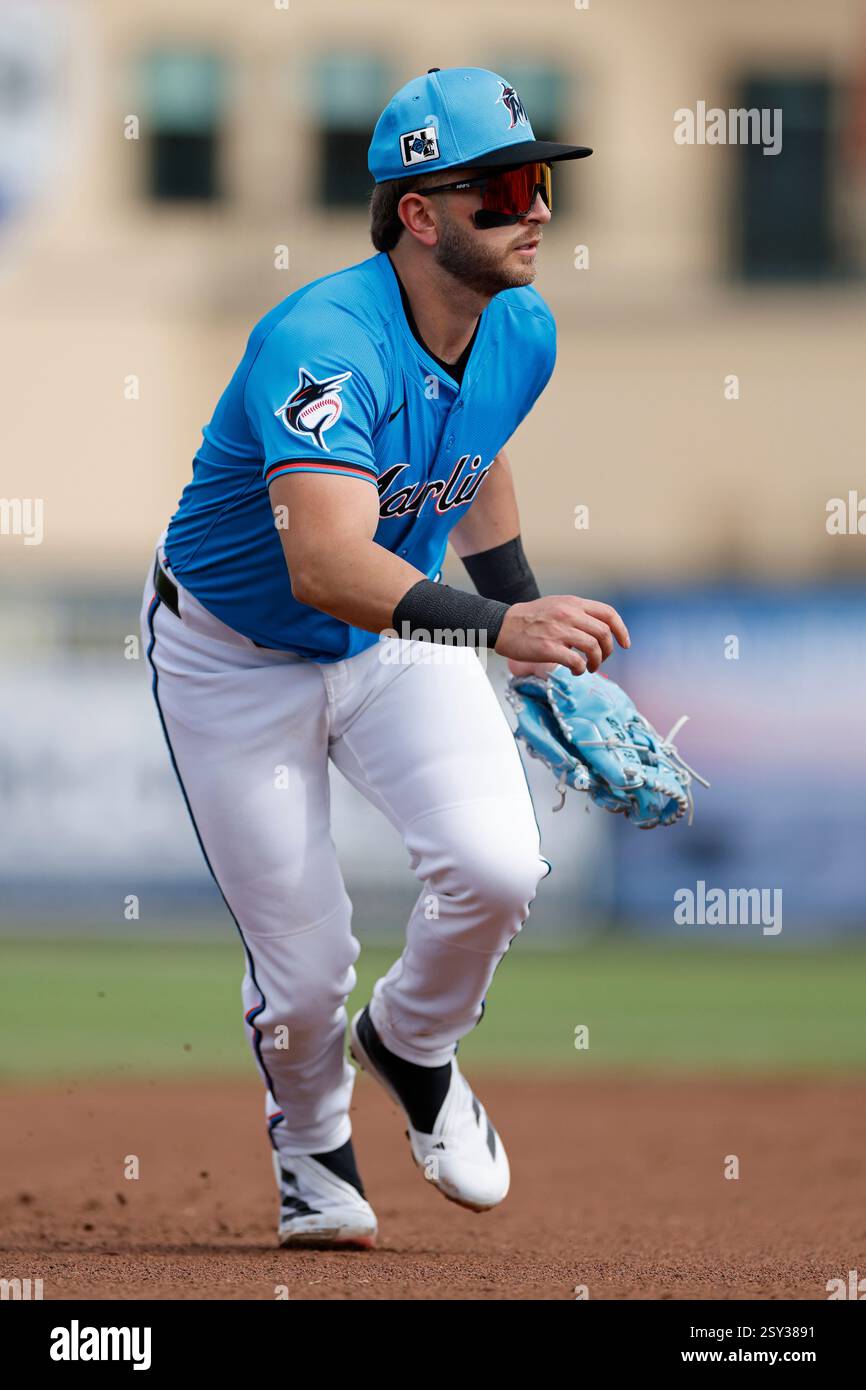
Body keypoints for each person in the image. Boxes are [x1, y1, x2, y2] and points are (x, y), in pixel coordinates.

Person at [141, 66, 628, 1248]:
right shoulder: (319, 343)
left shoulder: (520, 325)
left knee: (498, 866)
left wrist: (523, 629)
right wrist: (499, 624)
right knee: (304, 971)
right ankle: (312, 1150)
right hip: (235, 653)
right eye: (505, 187)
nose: (537, 210)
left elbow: (477, 447)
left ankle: (411, 1041)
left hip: (390, 637)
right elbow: (322, 563)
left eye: (540, 181)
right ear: (418, 212)